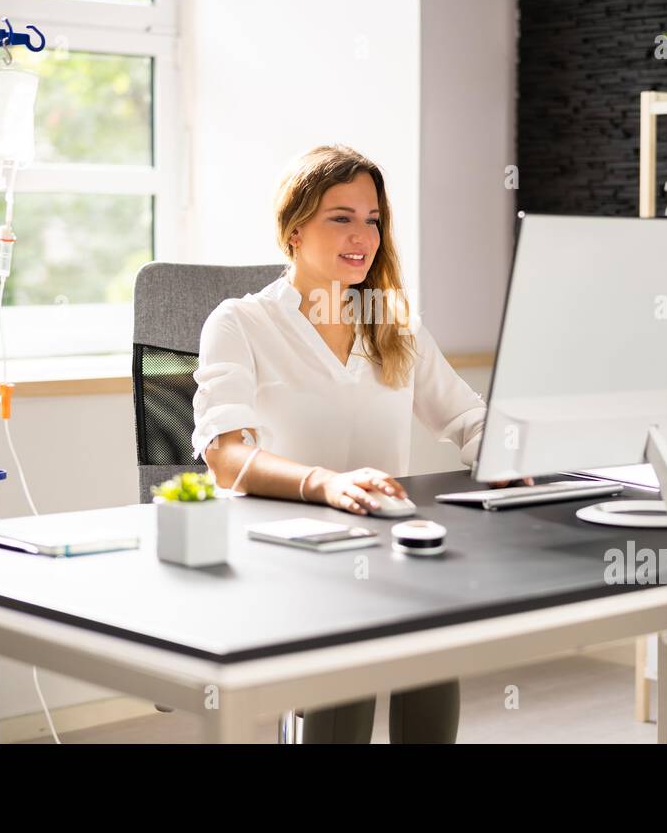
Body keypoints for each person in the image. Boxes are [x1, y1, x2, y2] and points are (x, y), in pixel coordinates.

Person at [191, 144, 505, 743]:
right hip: (284, 547)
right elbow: (225, 457)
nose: (363, 235)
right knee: (352, 656)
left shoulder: (394, 324)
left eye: (373, 220)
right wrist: (324, 483)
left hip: (382, 541)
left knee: (433, 639)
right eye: (342, 217)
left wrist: (507, 457)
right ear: (294, 229)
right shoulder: (240, 322)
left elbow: (468, 417)